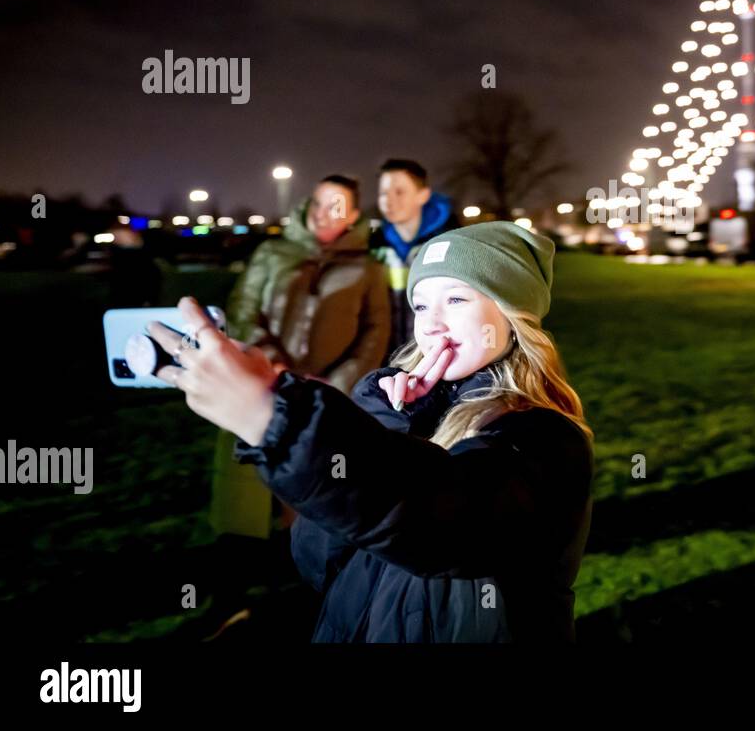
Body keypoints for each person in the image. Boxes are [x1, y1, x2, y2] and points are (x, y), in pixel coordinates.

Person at [151, 221, 594, 642]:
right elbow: (317, 559)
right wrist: (384, 421)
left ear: (513, 314)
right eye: (421, 305)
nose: (431, 323)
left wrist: (279, 422)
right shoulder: (397, 411)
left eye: (456, 300)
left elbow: (440, 521)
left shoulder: (542, 437)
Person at [211, 175, 389, 540]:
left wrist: (336, 382)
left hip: (324, 392)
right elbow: (242, 309)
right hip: (261, 382)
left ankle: (300, 552)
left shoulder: (368, 267)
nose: (326, 212)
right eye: (320, 202)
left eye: (337, 205)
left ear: (353, 214)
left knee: (315, 478)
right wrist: (273, 362)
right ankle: (242, 553)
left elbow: (375, 330)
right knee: (251, 474)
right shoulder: (272, 254)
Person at [370, 160, 461, 358]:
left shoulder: (452, 243)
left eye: (399, 192)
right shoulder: (374, 246)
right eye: (383, 193)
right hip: (385, 359)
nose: (388, 200)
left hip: (440, 357)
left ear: (423, 195)